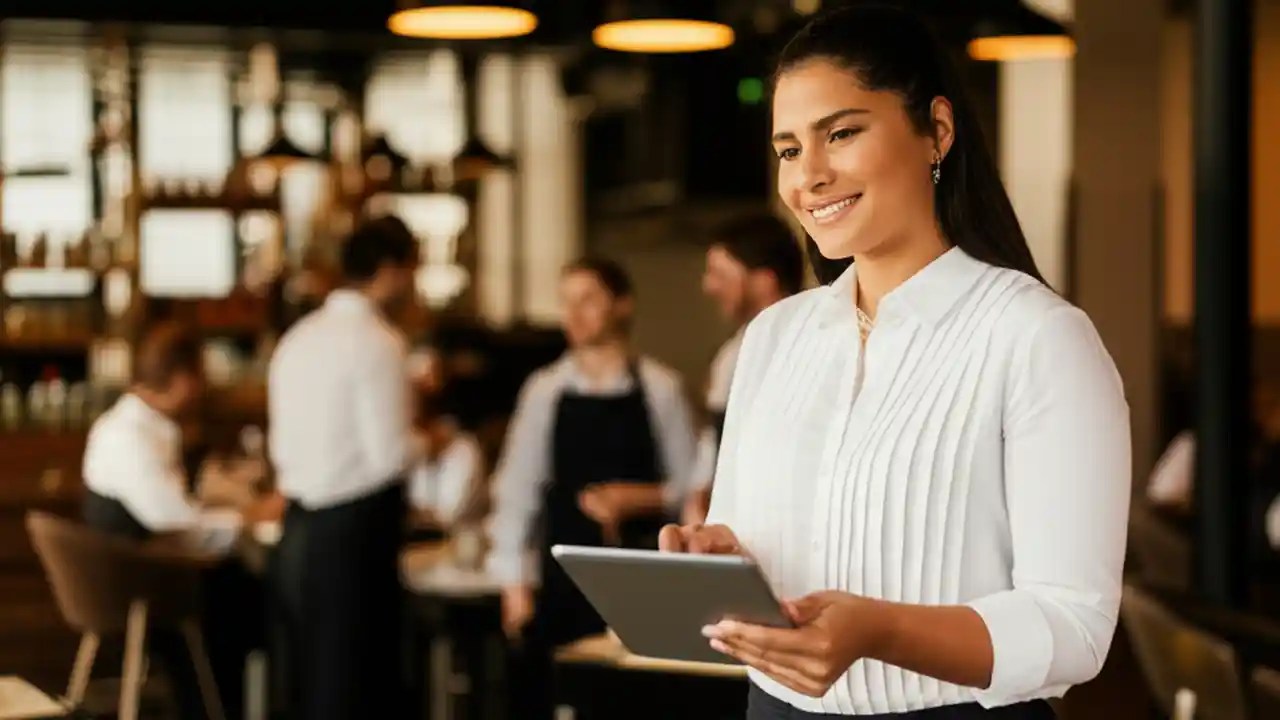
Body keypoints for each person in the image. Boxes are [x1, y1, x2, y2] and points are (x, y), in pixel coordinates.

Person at [659, 6, 1130, 719]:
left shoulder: (1037, 338)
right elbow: (754, 545)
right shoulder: (773, 338)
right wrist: (723, 564)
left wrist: (881, 631)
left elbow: (1075, 629)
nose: (809, 176)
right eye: (788, 150)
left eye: (841, 134)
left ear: (936, 130)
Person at [487, 257, 697, 719]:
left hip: (638, 578)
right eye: (566, 303)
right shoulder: (544, 390)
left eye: (588, 301)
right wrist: (514, 582)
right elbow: (517, 488)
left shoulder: (661, 388)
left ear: (622, 306)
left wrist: (638, 497)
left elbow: (692, 489)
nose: (574, 315)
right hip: (560, 578)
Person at [267, 215, 424, 720]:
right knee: (354, 689)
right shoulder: (379, 342)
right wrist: (433, 442)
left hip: (295, 531)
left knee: (307, 685)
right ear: (393, 269)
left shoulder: (298, 338)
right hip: (352, 535)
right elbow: (389, 456)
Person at [82, 321, 278, 719]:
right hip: (149, 592)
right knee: (263, 592)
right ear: (185, 380)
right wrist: (251, 516)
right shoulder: (131, 437)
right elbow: (179, 524)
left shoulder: (131, 426)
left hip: (137, 578)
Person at [683, 212, 806, 525]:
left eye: (720, 275)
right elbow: (716, 441)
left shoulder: (809, 346)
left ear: (765, 280)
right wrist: (699, 496)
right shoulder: (729, 355)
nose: (708, 286)